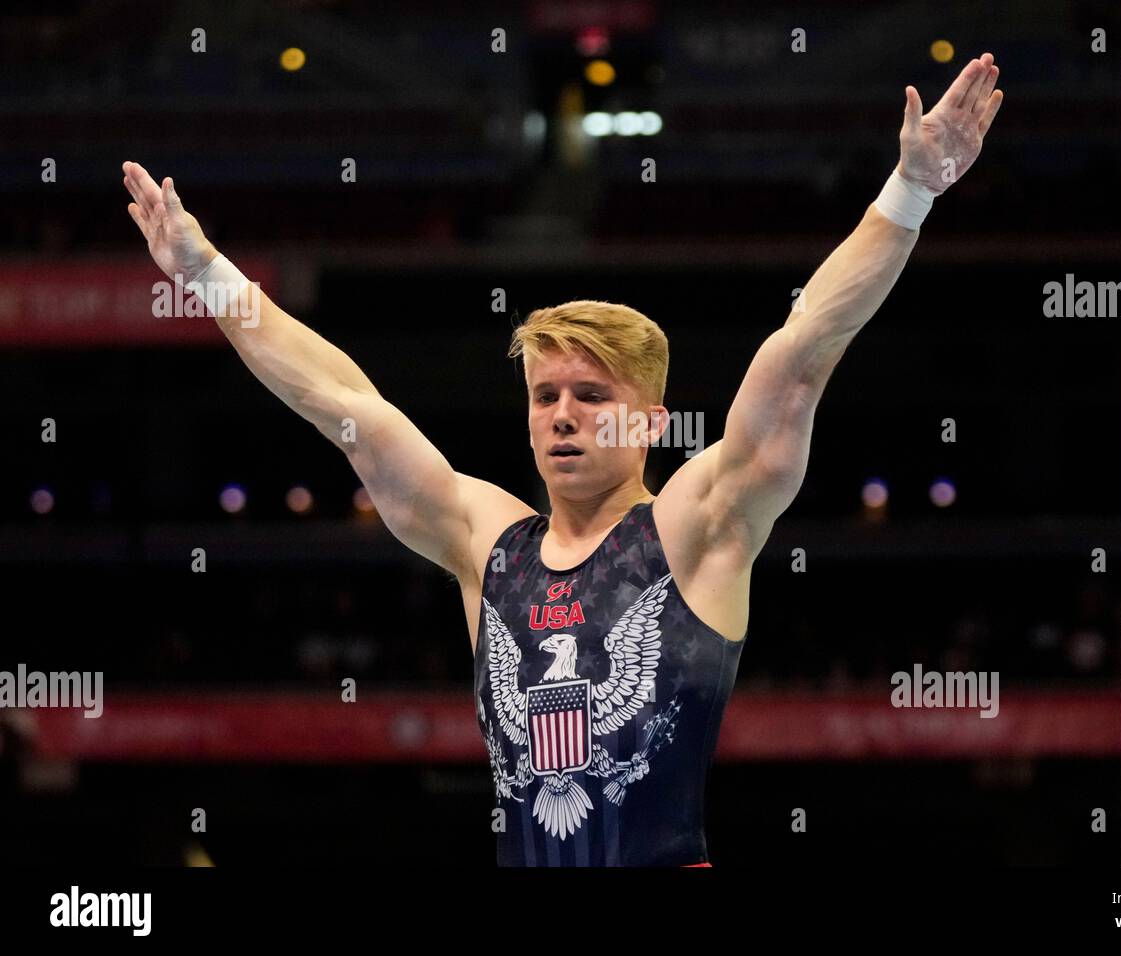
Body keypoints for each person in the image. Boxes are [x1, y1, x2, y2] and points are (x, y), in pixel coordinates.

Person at [122, 54, 1003, 866]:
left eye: (592, 396)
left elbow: (804, 347)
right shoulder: (486, 542)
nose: (563, 417)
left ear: (651, 423)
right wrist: (207, 275)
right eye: (546, 396)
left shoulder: (698, 524)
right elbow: (346, 404)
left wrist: (911, 192)